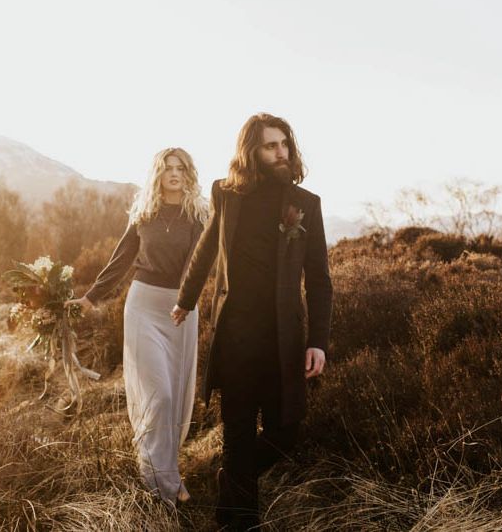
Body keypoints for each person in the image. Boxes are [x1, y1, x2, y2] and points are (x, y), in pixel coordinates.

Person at [171, 113, 333, 529]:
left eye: (285, 145)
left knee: (286, 433)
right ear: (252, 152)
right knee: (237, 433)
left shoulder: (307, 204)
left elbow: (319, 280)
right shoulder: (227, 195)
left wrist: (318, 341)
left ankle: (233, 479)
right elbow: (207, 249)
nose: (281, 153)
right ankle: (238, 522)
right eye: (270, 146)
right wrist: (186, 300)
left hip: (283, 339)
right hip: (236, 336)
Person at [66, 147, 208, 505]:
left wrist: (185, 302)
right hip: (143, 306)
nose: (174, 174)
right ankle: (163, 482)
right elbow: (120, 261)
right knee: (158, 394)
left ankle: (163, 470)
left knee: (173, 397)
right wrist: (90, 297)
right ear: (157, 173)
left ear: (188, 173)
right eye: (167, 168)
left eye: (180, 168)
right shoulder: (144, 213)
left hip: (180, 308)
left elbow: (197, 263)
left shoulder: (198, 215)